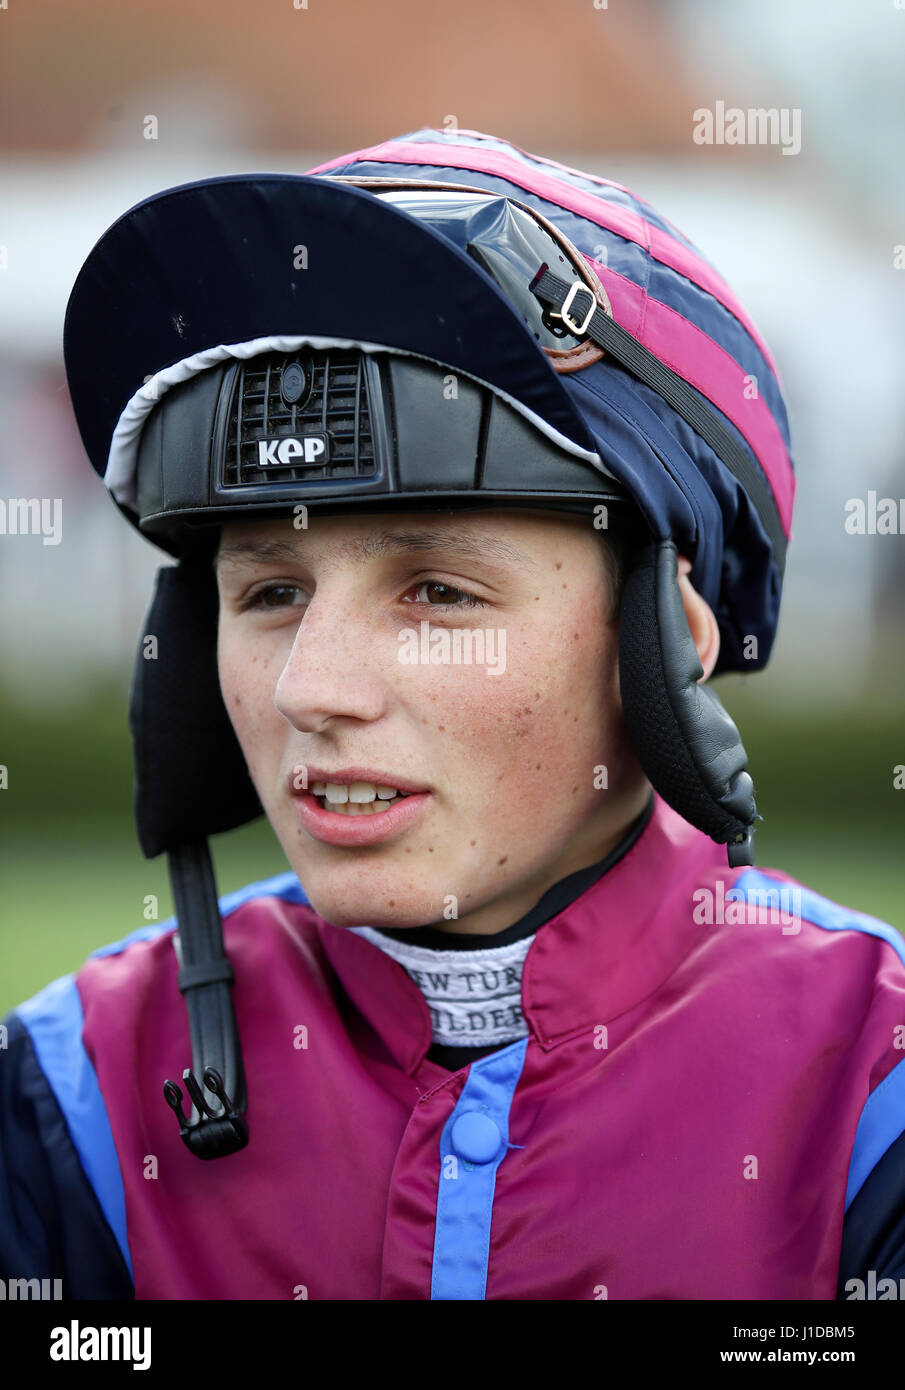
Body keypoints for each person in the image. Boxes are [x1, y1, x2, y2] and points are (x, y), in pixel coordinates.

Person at [1, 127, 903, 1301]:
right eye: (269, 591)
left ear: (663, 643)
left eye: (435, 590)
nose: (310, 688)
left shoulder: (869, 1095)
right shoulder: (67, 1100)